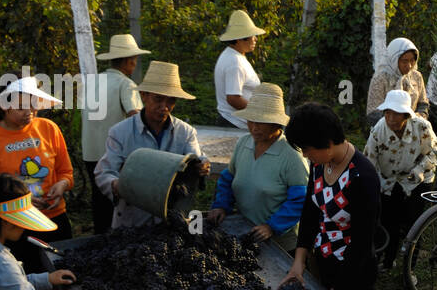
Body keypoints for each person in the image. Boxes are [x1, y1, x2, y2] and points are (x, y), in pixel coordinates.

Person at [278, 102, 381, 290]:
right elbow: (311, 211)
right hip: (325, 261)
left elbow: (362, 244)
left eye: (307, 147)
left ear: (328, 142)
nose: (304, 154)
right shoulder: (319, 165)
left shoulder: (362, 177)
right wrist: (299, 261)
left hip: (354, 270)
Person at [94, 61, 210, 229]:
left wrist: (202, 167)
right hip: (132, 219)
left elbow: (196, 159)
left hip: (171, 218)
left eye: (171, 101)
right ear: (143, 96)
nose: (164, 107)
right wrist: (116, 185)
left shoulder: (185, 132)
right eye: (158, 99)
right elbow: (104, 172)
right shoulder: (120, 132)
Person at [0, 75, 74, 255]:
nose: (29, 112)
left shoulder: (49, 129)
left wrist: (62, 185)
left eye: (33, 105)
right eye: (20, 107)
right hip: (14, 227)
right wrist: (19, 202)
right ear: (4, 107)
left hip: (54, 218)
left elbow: (66, 172)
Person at [206, 83, 309, 251]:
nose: (254, 127)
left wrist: (272, 226)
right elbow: (228, 178)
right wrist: (221, 205)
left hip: (280, 244)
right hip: (245, 232)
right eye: (251, 120)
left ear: (277, 123)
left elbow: (300, 199)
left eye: (261, 122)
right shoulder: (243, 143)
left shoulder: (292, 155)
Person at [364, 89, 437, 270]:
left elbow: (434, 153)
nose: (391, 118)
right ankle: (388, 262)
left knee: (414, 222)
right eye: (388, 113)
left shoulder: (421, 127)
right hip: (389, 180)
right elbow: (369, 163)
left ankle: (409, 268)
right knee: (389, 221)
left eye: (396, 114)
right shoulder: (378, 131)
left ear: (406, 114)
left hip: (418, 178)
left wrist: (418, 170)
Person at [82, 34, 147, 233]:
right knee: (120, 207)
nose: (135, 64)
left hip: (91, 152)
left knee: (99, 204)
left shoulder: (93, 82)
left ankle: (98, 242)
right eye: (134, 60)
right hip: (113, 155)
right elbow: (136, 117)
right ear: (129, 61)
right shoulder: (126, 84)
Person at [214, 9, 266, 129]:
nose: (255, 39)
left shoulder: (233, 55)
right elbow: (233, 98)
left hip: (233, 122)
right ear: (239, 39)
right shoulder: (235, 62)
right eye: (252, 36)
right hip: (234, 123)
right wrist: (259, 112)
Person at [366, 38, 428, 130]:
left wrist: (414, 120)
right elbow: (372, 113)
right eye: (404, 61)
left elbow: (423, 104)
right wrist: (396, 123)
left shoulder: (416, 77)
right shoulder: (381, 79)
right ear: (394, 60)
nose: (409, 65)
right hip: (385, 131)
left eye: (412, 60)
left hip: (413, 130)